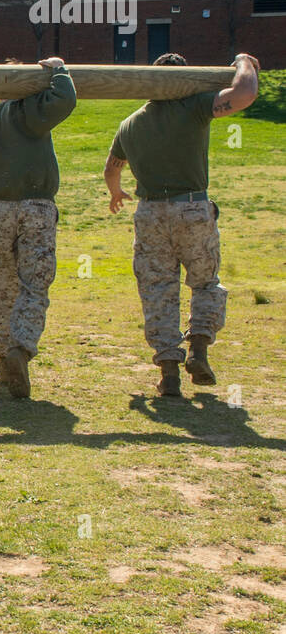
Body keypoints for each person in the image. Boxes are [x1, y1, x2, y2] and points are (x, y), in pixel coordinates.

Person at [103, 52, 260, 397]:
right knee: (205, 283)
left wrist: (116, 194)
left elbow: (112, 168)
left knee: (158, 290)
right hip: (192, 208)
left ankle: (168, 372)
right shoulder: (195, 107)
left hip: (149, 214)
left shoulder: (130, 123)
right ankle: (199, 349)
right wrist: (243, 61)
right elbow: (245, 93)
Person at [0, 57, 77, 398]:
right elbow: (66, 99)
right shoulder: (32, 110)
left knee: (3, 283)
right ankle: (20, 349)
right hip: (36, 205)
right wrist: (58, 69)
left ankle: (2, 351)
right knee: (34, 282)